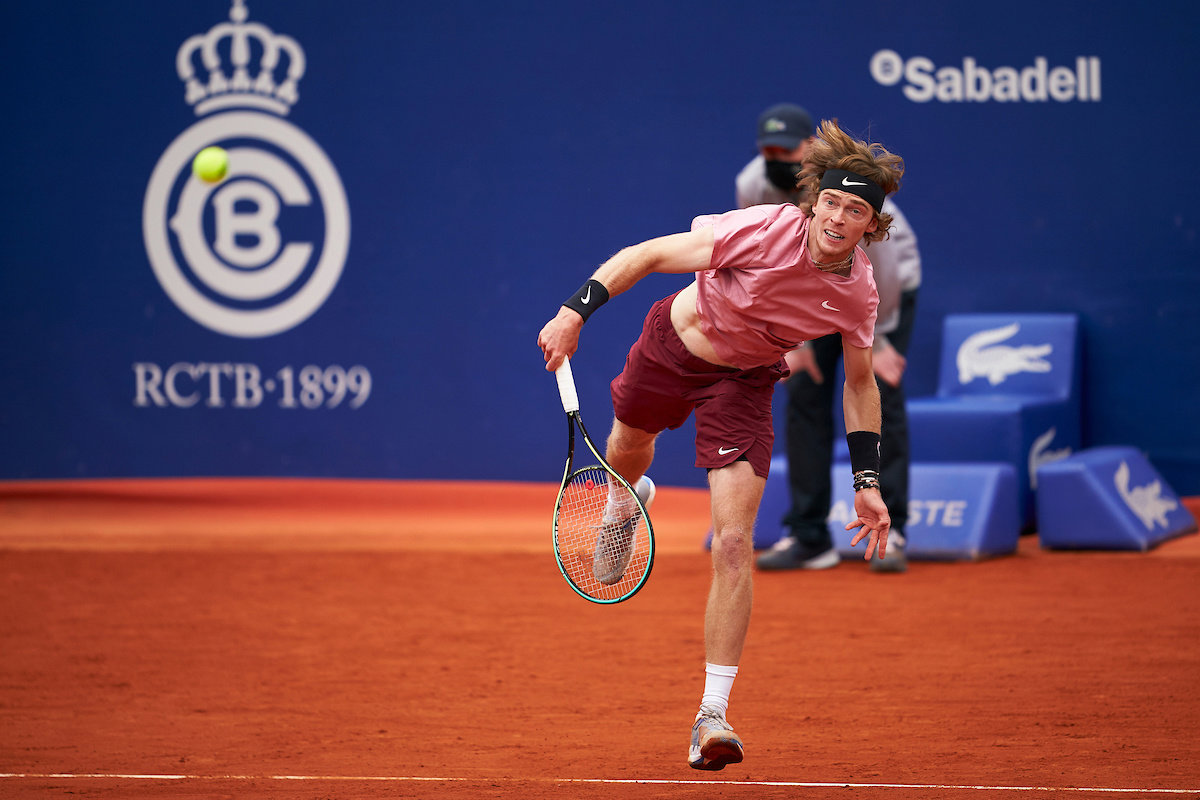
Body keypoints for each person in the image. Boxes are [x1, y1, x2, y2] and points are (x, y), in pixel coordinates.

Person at [537, 119, 903, 770]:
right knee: (628, 444)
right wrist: (575, 310)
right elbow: (648, 255)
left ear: (871, 226)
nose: (840, 218)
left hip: (746, 384)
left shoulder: (857, 292)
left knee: (734, 541)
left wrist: (866, 482)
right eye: (834, 203)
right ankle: (626, 500)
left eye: (857, 211)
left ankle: (712, 714)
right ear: (813, 201)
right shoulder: (763, 228)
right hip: (671, 347)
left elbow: (858, 383)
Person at [738, 103, 922, 573]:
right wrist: (791, 345)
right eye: (768, 149)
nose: (777, 156)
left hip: (882, 289)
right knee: (804, 392)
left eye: (787, 148)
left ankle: (892, 527)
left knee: (877, 392)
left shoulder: (866, 205)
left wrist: (880, 342)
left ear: (809, 150)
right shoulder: (753, 184)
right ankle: (808, 533)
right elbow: (761, 262)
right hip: (801, 284)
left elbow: (882, 275)